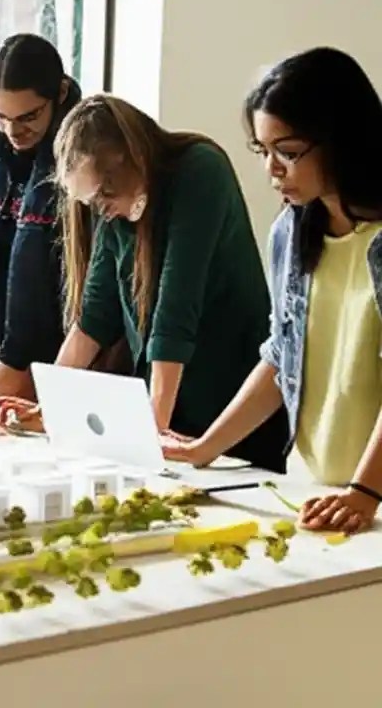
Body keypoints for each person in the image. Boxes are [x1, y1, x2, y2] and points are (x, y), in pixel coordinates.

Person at [0, 94, 289, 472]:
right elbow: (93, 318)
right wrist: (50, 407)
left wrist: (151, 433)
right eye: (92, 203)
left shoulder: (200, 170)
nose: (102, 210)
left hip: (231, 421)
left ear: (130, 159)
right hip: (174, 418)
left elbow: (175, 313)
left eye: (104, 194)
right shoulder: (117, 210)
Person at [163, 48, 382, 534]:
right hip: (312, 492)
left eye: (288, 151)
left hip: (368, 499)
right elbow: (281, 356)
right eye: (263, 151)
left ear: (342, 138)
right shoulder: (290, 232)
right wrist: (203, 448)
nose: (272, 170)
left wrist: (365, 492)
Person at [0, 33, 80, 399]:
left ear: (60, 92)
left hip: (63, 355)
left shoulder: (84, 155)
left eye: (28, 116)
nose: (13, 131)